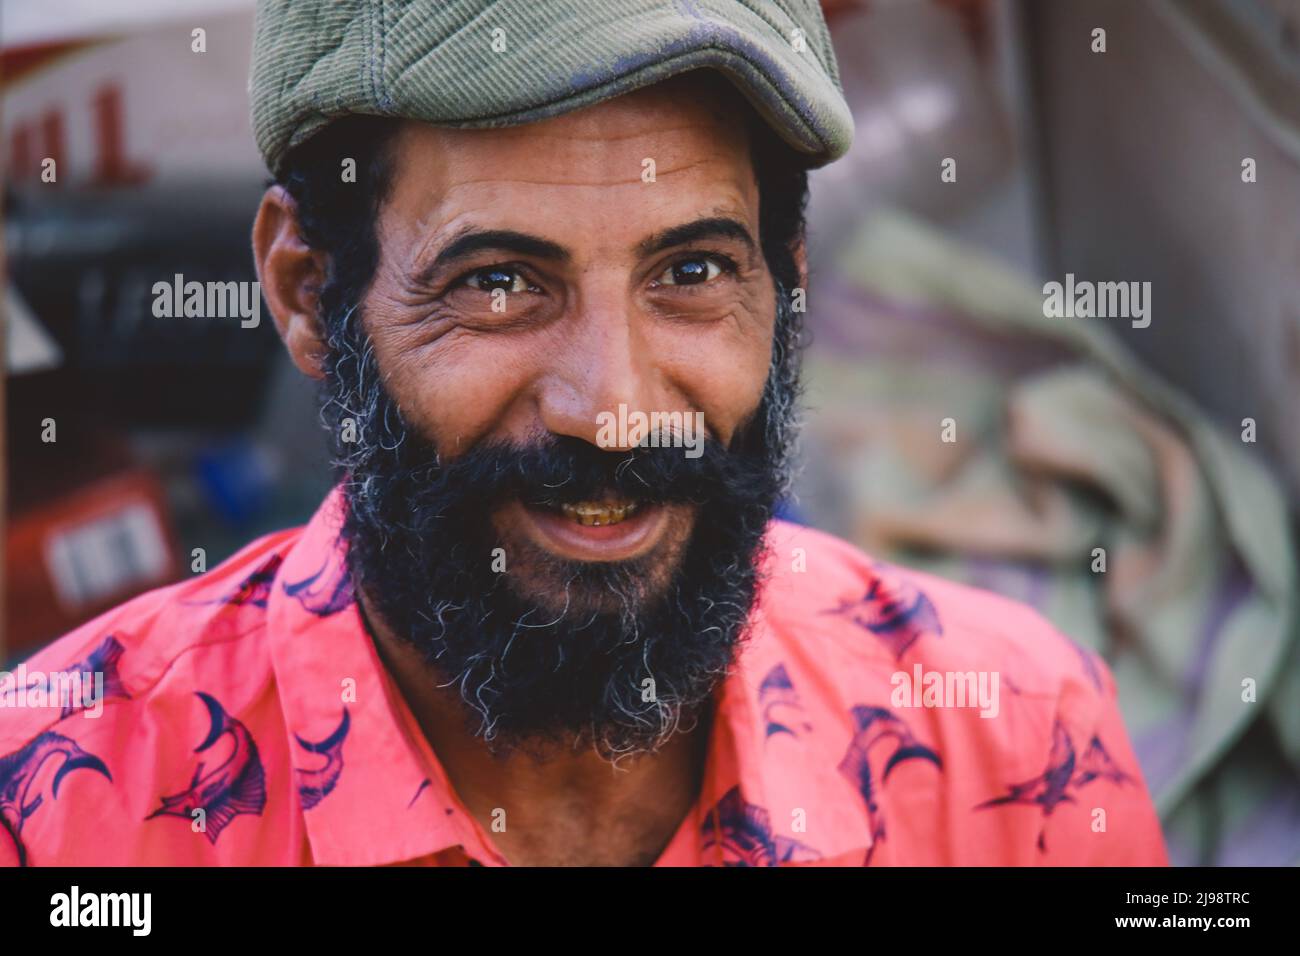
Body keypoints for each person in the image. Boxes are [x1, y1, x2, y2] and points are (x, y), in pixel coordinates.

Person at [0, 0, 1167, 867]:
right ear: (306, 291)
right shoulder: (59, 810)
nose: (611, 407)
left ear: (788, 284)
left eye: (692, 270)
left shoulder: (1018, 750)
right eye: (500, 281)